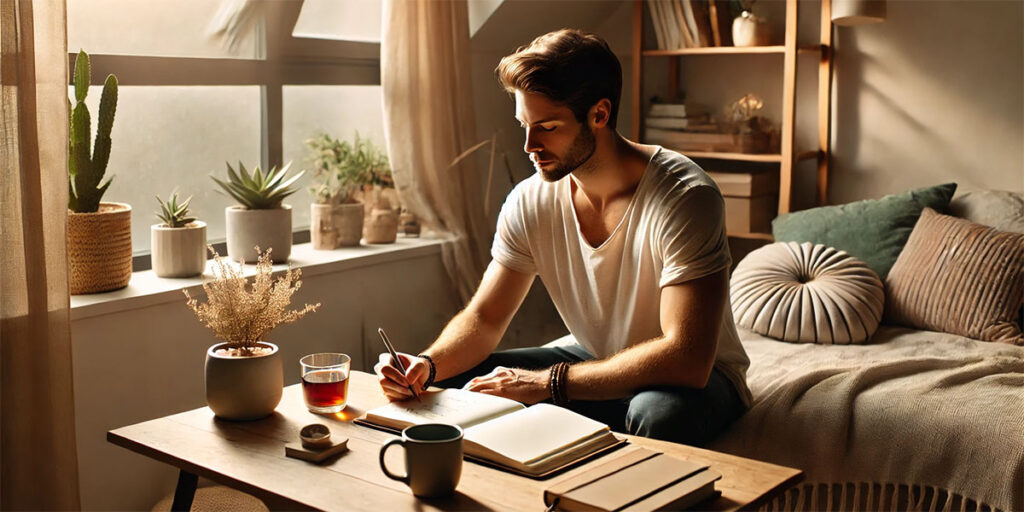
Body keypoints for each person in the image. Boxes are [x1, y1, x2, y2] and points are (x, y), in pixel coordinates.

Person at [374, 28, 750, 445]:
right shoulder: (531, 200)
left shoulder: (684, 196)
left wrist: (548, 383)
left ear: (599, 114)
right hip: (596, 357)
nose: (530, 145)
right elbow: (485, 318)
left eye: (548, 127)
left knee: (657, 415)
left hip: (699, 378)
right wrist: (425, 365)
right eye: (524, 125)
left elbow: (687, 357)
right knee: (461, 378)